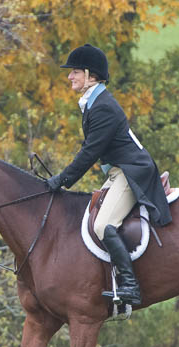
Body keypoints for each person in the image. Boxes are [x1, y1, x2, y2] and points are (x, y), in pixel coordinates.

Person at [45, 44, 171, 306]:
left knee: (103, 225)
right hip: (119, 171)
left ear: (90, 75)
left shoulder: (102, 107)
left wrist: (62, 179)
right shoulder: (95, 102)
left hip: (131, 171)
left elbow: (90, 152)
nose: (69, 76)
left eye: (75, 72)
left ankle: (130, 286)